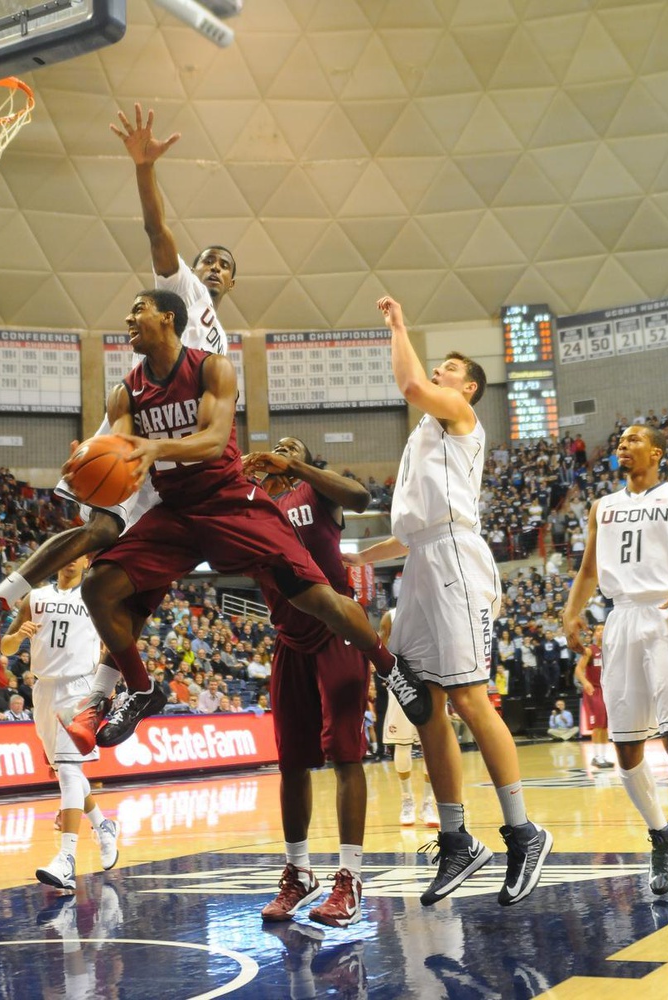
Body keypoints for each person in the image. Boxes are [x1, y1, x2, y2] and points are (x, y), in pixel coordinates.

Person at [0, 101, 236, 690]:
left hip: (168, 453)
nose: (212, 266)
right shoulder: (179, 290)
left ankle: (101, 693)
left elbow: (214, 417)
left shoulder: (219, 341)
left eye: (224, 265)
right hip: (136, 434)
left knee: (147, 566)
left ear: (233, 281)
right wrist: (144, 170)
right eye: (207, 259)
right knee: (105, 534)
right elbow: (157, 230)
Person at [63, 290, 428, 753]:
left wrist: (155, 448)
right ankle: (138, 690)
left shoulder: (211, 368)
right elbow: (120, 457)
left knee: (321, 600)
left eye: (138, 309)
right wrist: (86, 468)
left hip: (230, 500)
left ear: (168, 317)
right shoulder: (125, 392)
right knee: (99, 586)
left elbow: (215, 441)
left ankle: (388, 665)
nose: (128, 317)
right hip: (176, 511)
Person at [343, 295, 552, 909]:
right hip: (422, 560)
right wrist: (362, 558)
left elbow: (409, 380)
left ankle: (522, 830)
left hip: (458, 558)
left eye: (452, 368)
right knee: (422, 699)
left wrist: (400, 326)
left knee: (467, 696)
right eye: (444, 368)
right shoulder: (422, 440)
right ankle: (458, 838)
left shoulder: (459, 415)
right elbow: (410, 532)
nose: (441, 372)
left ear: (471, 387)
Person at [244, 437, 373, 927]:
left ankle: (350, 879)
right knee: (292, 763)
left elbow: (361, 498)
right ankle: (299, 874)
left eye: (291, 447)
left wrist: (296, 464)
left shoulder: (317, 495)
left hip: (337, 630)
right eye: (274, 447)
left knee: (346, 755)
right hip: (288, 640)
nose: (278, 451)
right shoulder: (254, 507)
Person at [562, 423, 668, 903]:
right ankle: (661, 834)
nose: (622, 444)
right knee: (627, 745)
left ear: (656, 452)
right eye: (619, 440)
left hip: (667, 615)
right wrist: (572, 611)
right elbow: (590, 568)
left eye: (634, 440)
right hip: (620, 620)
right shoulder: (603, 507)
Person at [1, 556, 120, 892]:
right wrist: (18, 635)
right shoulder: (35, 598)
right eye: (67, 555)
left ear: (86, 561)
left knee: (68, 771)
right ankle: (103, 825)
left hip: (80, 687)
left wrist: (106, 689)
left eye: (78, 555)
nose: (71, 561)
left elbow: (113, 643)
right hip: (43, 688)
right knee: (68, 772)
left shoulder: (96, 596)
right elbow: (6, 646)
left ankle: (66, 858)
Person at [378, 607, 437, 828]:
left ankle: (428, 804)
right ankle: (407, 802)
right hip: (401, 683)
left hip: (430, 681)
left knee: (431, 746)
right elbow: (378, 647)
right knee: (402, 746)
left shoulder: (434, 611)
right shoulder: (391, 616)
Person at [573, 625, 614, 768]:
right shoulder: (590, 650)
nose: (601, 632)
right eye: (598, 630)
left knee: (605, 725)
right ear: (594, 634)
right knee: (598, 725)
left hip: (607, 690)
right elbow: (578, 670)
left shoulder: (610, 651)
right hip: (594, 690)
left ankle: (603, 756)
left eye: (604, 629)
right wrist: (585, 682)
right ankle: (596, 756)